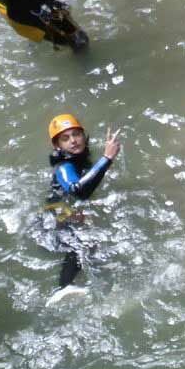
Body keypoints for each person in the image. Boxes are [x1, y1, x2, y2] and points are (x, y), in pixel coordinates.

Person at [43, 113, 120, 287]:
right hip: (57, 216)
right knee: (81, 242)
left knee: (92, 243)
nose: (73, 141)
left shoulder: (79, 159)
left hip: (68, 211)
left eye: (76, 134)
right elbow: (78, 191)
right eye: (65, 138)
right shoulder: (63, 166)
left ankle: (94, 281)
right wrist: (107, 158)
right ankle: (63, 288)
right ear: (57, 145)